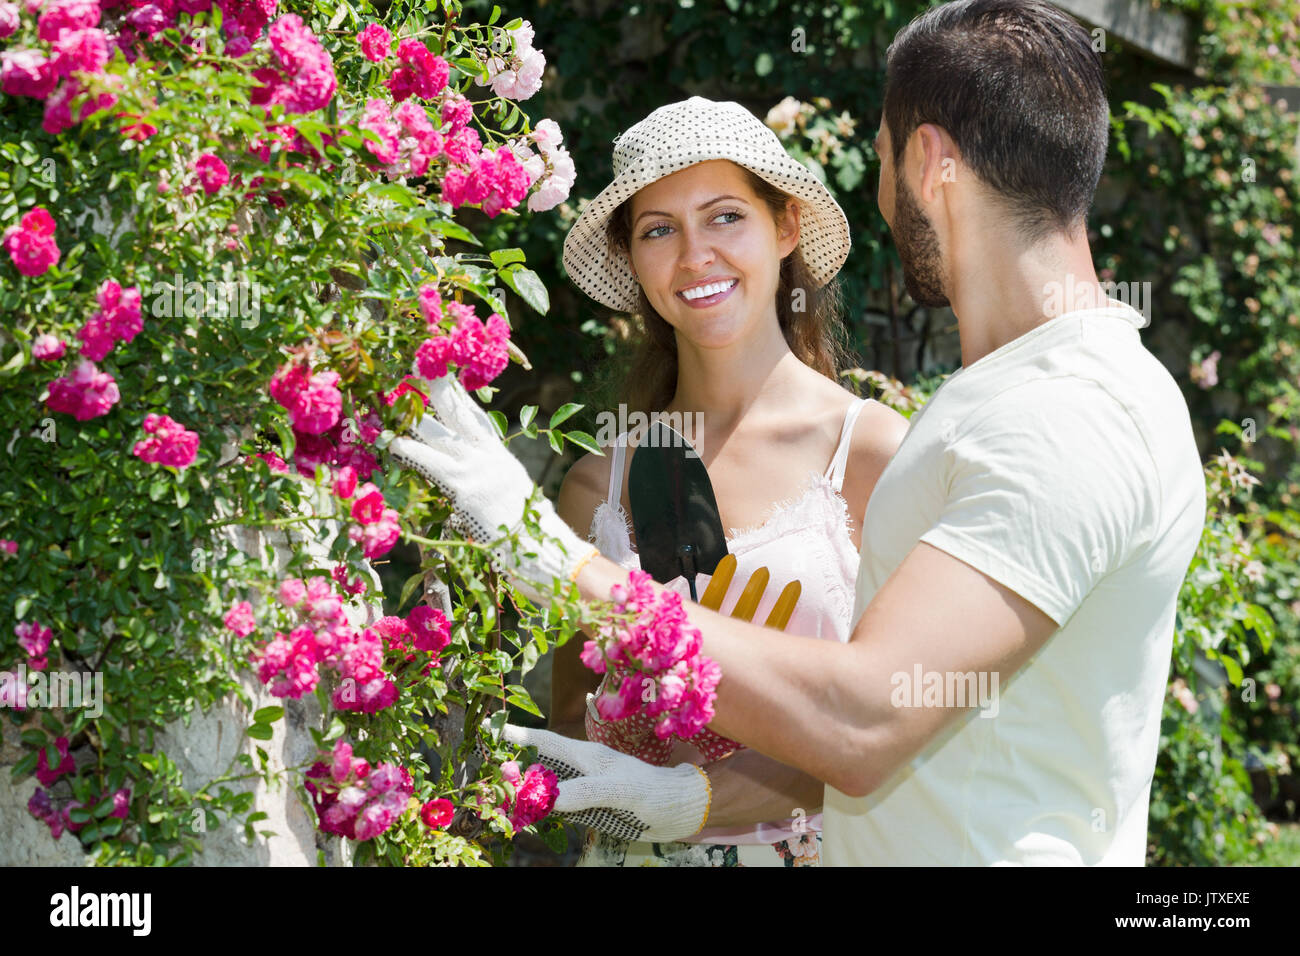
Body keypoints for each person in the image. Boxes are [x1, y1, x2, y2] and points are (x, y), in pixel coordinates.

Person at [391, 0, 1207, 865]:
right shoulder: (1005, 404)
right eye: (659, 230)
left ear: (928, 161)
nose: (884, 193)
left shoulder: (1063, 414)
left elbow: (863, 718)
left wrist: (560, 567)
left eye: (886, 158)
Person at [548, 97, 910, 866]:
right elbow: (569, 740)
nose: (694, 256)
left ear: (783, 228)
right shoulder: (595, 491)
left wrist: (704, 788)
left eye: (723, 217)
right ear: (633, 260)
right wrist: (632, 741)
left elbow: (908, 726)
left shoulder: (873, 455)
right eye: (658, 230)